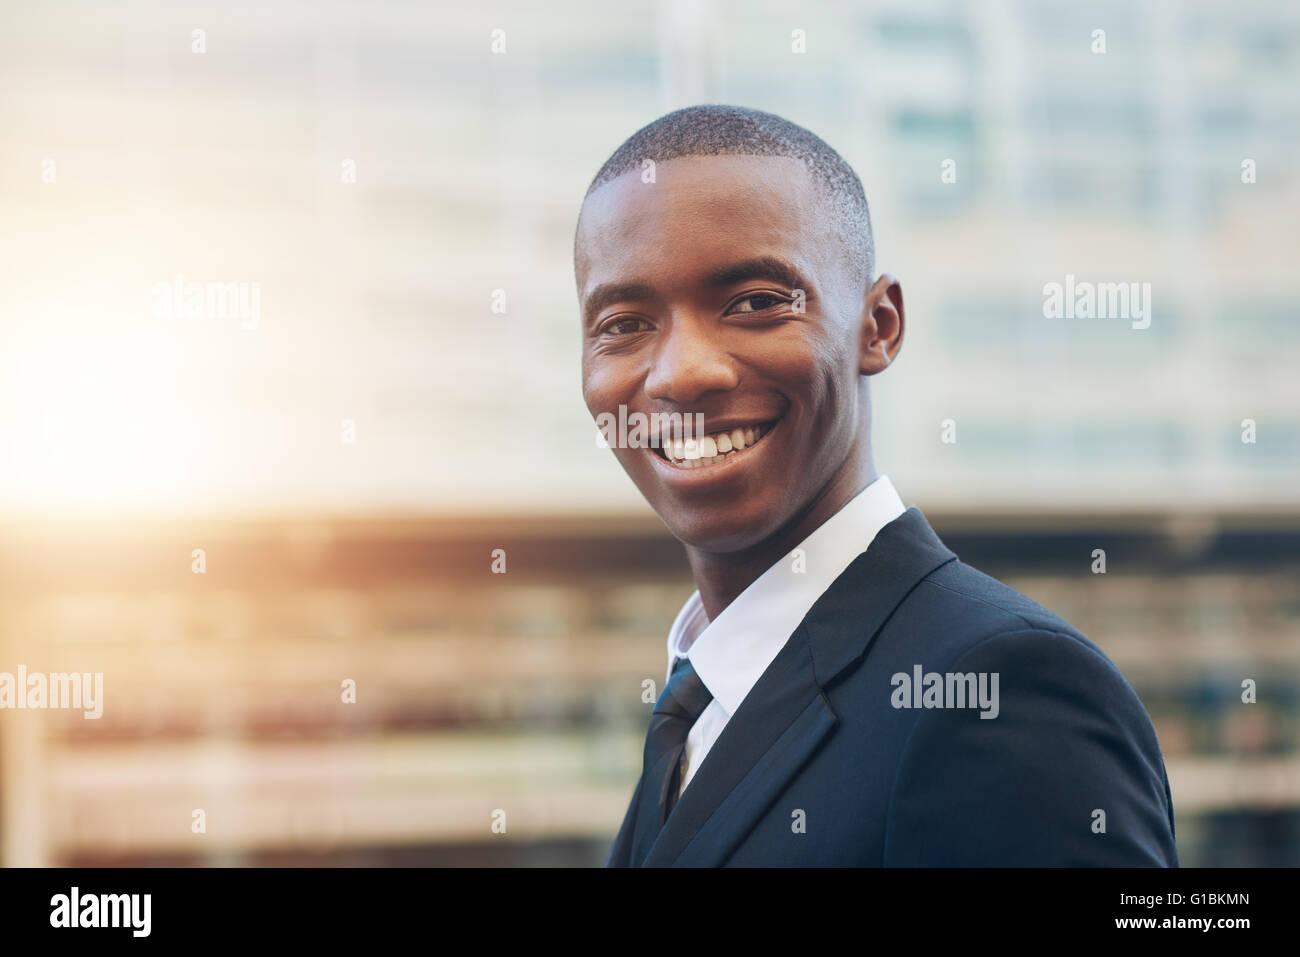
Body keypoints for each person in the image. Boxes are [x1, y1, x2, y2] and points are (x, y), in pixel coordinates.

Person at [573, 104, 1178, 867]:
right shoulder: (700, 702)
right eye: (625, 322)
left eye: (757, 302)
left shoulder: (999, 691)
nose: (684, 372)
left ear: (878, 325)